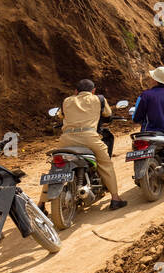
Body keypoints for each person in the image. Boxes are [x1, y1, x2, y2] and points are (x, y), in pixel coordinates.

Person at [52, 79, 127, 210]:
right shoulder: (98, 99)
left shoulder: (67, 101)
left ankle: (41, 204)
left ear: (76, 91)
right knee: (105, 164)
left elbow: (60, 116)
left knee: (55, 169)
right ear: (93, 91)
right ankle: (115, 199)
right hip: (89, 138)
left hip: (66, 139)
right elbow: (108, 114)